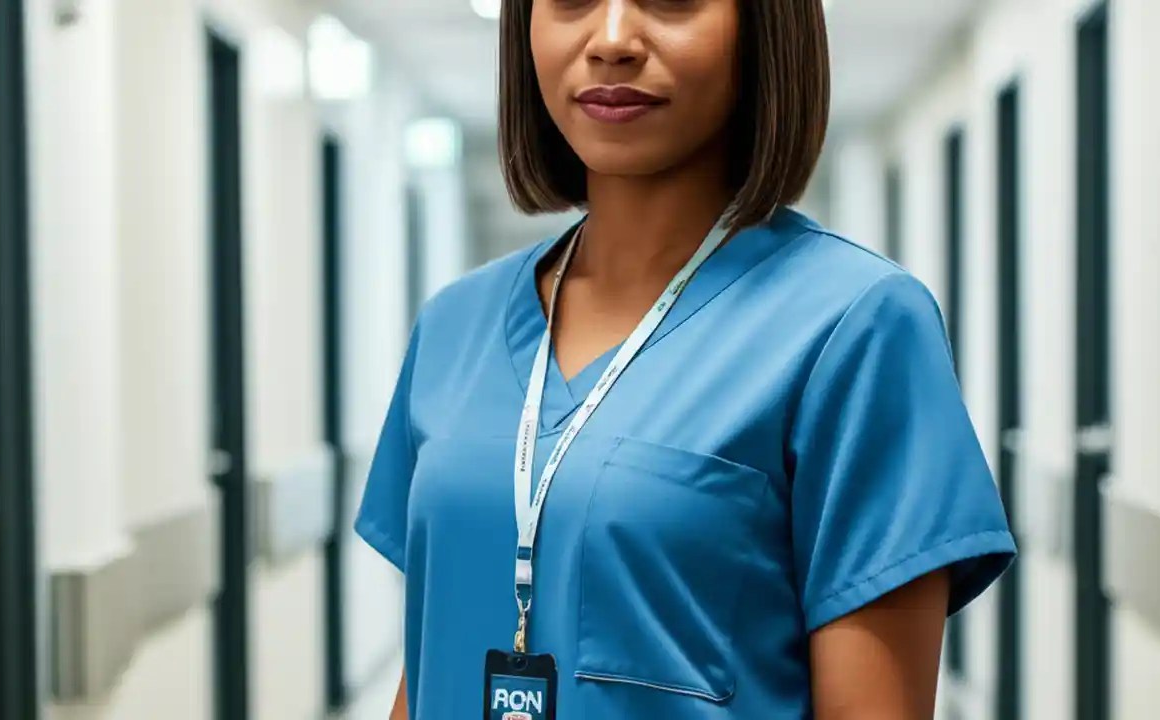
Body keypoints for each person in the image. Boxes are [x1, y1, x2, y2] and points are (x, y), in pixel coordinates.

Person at [356, 0, 1017, 717]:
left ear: (763, 29)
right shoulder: (457, 325)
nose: (611, 39)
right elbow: (429, 661)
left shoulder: (856, 325)